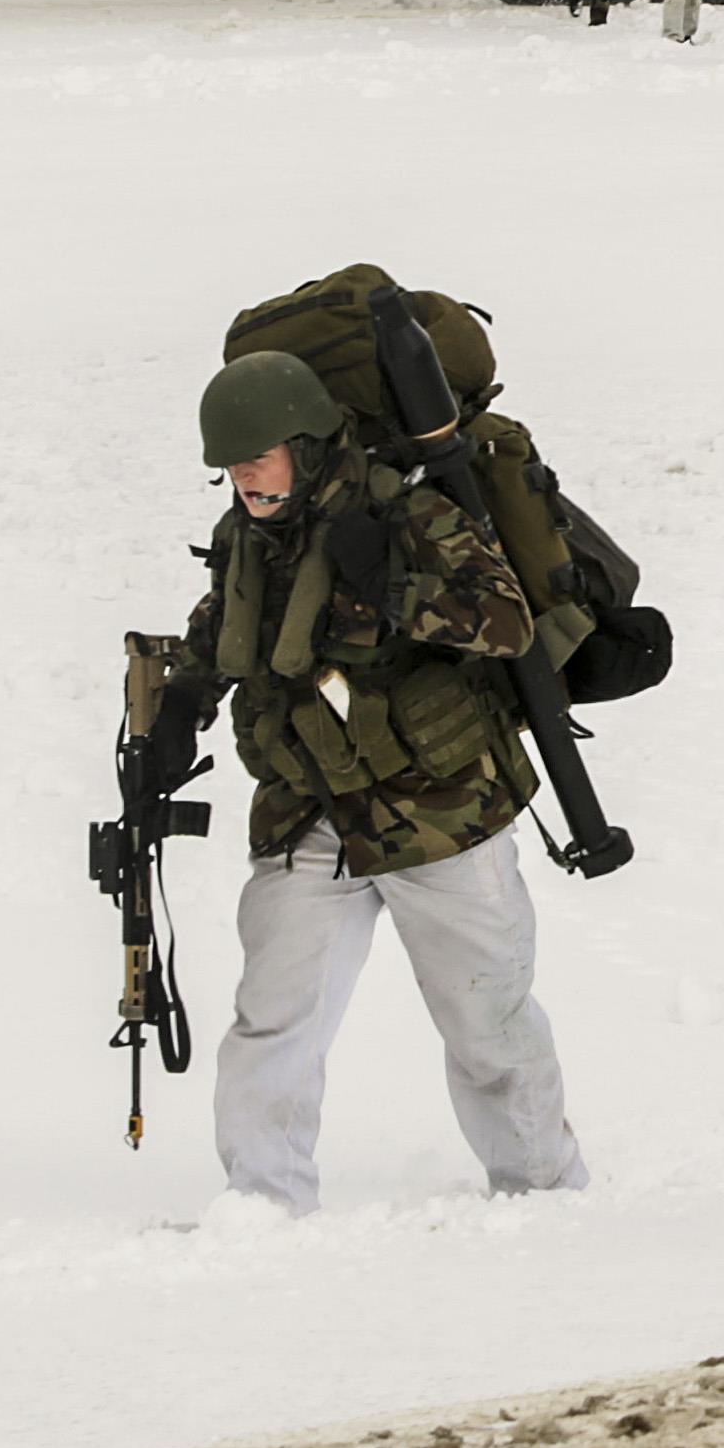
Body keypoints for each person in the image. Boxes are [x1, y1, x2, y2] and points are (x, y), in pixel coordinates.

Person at [131, 349, 586, 1212]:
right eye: (229, 466)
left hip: (439, 813)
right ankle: (263, 1205)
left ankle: (546, 1194)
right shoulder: (248, 534)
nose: (242, 478)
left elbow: (503, 621)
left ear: (304, 444)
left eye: (256, 458)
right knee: (274, 1017)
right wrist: (184, 697)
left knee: (487, 1019)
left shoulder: (403, 512)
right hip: (311, 812)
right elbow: (221, 622)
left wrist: (393, 580)